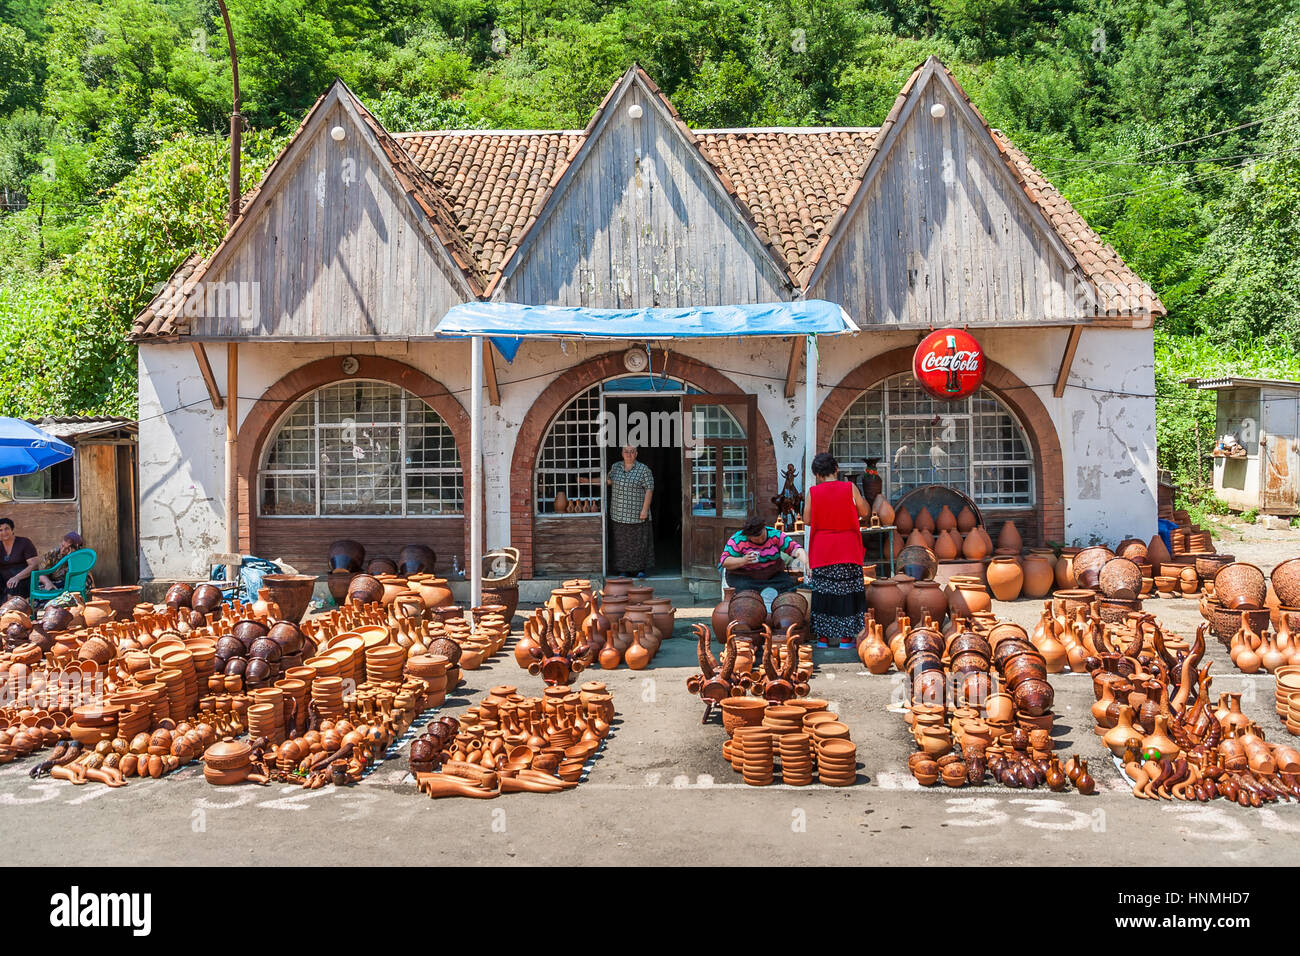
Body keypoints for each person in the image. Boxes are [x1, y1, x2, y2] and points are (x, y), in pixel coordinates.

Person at [802, 452, 870, 649]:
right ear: (836, 469)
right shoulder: (850, 488)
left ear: (816, 473)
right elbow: (865, 512)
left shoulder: (813, 493)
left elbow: (807, 520)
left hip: (823, 548)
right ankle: (846, 639)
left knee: (824, 591)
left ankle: (823, 638)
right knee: (848, 592)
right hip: (848, 547)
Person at [719, 515, 808, 595]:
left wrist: (807, 563)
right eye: (756, 540)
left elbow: (795, 549)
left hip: (771, 576)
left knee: (787, 585)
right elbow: (725, 561)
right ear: (748, 537)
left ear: (764, 528)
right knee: (745, 589)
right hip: (745, 577)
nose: (761, 541)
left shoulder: (775, 535)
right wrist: (744, 560)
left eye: (762, 536)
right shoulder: (737, 539)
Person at [607, 445, 655, 577]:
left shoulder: (643, 469)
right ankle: (623, 570)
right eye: (626, 451)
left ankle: (640, 570)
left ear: (636, 454)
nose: (629, 454)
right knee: (621, 545)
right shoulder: (616, 467)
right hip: (619, 514)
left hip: (638, 515)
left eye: (632, 451)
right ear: (622, 453)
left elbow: (649, 489)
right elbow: (608, 481)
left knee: (639, 544)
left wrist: (644, 510)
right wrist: (588, 481)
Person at [0, 517, 39, 602]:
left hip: (23, 579)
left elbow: (34, 565)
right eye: (0, 530)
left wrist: (17, 577)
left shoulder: (24, 542)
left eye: (7, 529)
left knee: (13, 587)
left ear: (12, 529)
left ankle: (10, 612)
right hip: (4, 579)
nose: (4, 532)